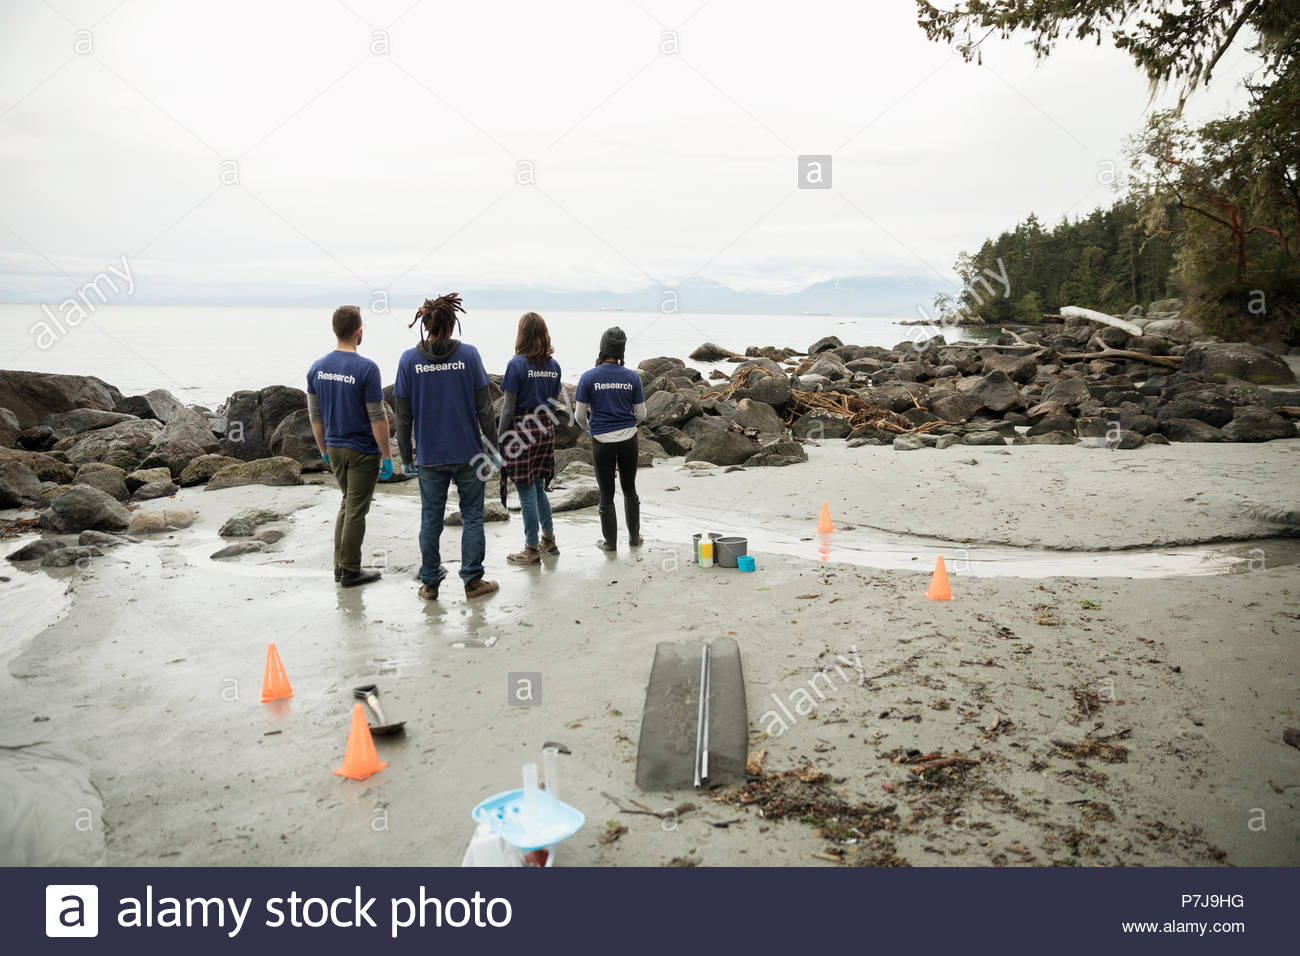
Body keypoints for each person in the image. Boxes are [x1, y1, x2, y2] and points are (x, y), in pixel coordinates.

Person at [393, 293, 500, 601]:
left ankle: (429, 584)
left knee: (430, 519)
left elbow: (403, 415)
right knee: (472, 517)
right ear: (453, 324)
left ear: (426, 325)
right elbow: (485, 409)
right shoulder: (469, 356)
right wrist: (493, 449)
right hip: (469, 453)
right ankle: (472, 581)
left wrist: (405, 455)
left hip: (430, 456)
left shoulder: (409, 361)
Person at [307, 305, 393, 588]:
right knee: (356, 509)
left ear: (335, 330)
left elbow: (315, 416)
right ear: (359, 331)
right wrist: (387, 455)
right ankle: (351, 570)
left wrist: (323, 450)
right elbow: (377, 418)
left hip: (334, 447)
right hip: (361, 451)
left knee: (347, 504)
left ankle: (339, 566)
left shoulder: (317, 368)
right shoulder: (366, 368)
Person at [497, 312, 563, 565]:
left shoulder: (516, 365)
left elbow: (507, 407)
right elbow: (555, 402)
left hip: (522, 430)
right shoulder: (554, 365)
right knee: (537, 486)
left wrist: (500, 437)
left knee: (525, 490)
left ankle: (531, 548)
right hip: (545, 426)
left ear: (521, 335)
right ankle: (548, 539)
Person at [574, 327, 645, 552]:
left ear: (602, 349)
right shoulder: (632, 377)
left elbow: (578, 416)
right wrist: (628, 427)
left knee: (606, 492)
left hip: (601, 441)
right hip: (628, 440)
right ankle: (634, 538)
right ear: (621, 351)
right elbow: (641, 414)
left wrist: (592, 430)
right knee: (629, 487)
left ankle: (610, 543)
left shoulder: (588, 377)